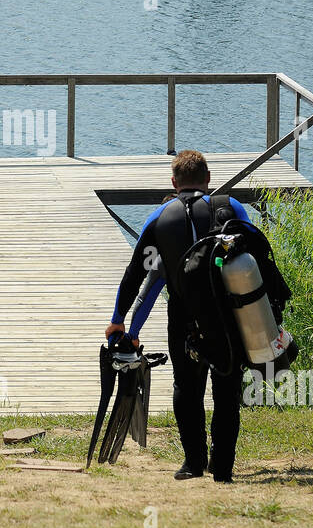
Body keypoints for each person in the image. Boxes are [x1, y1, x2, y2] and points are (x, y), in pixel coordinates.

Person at [104, 150, 250, 482]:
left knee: (187, 386)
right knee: (226, 389)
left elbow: (135, 275)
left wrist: (119, 318)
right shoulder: (232, 208)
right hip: (230, 316)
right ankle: (223, 468)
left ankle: (193, 463)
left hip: (183, 316)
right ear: (208, 179)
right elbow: (257, 257)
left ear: (174, 182)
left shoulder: (159, 218)